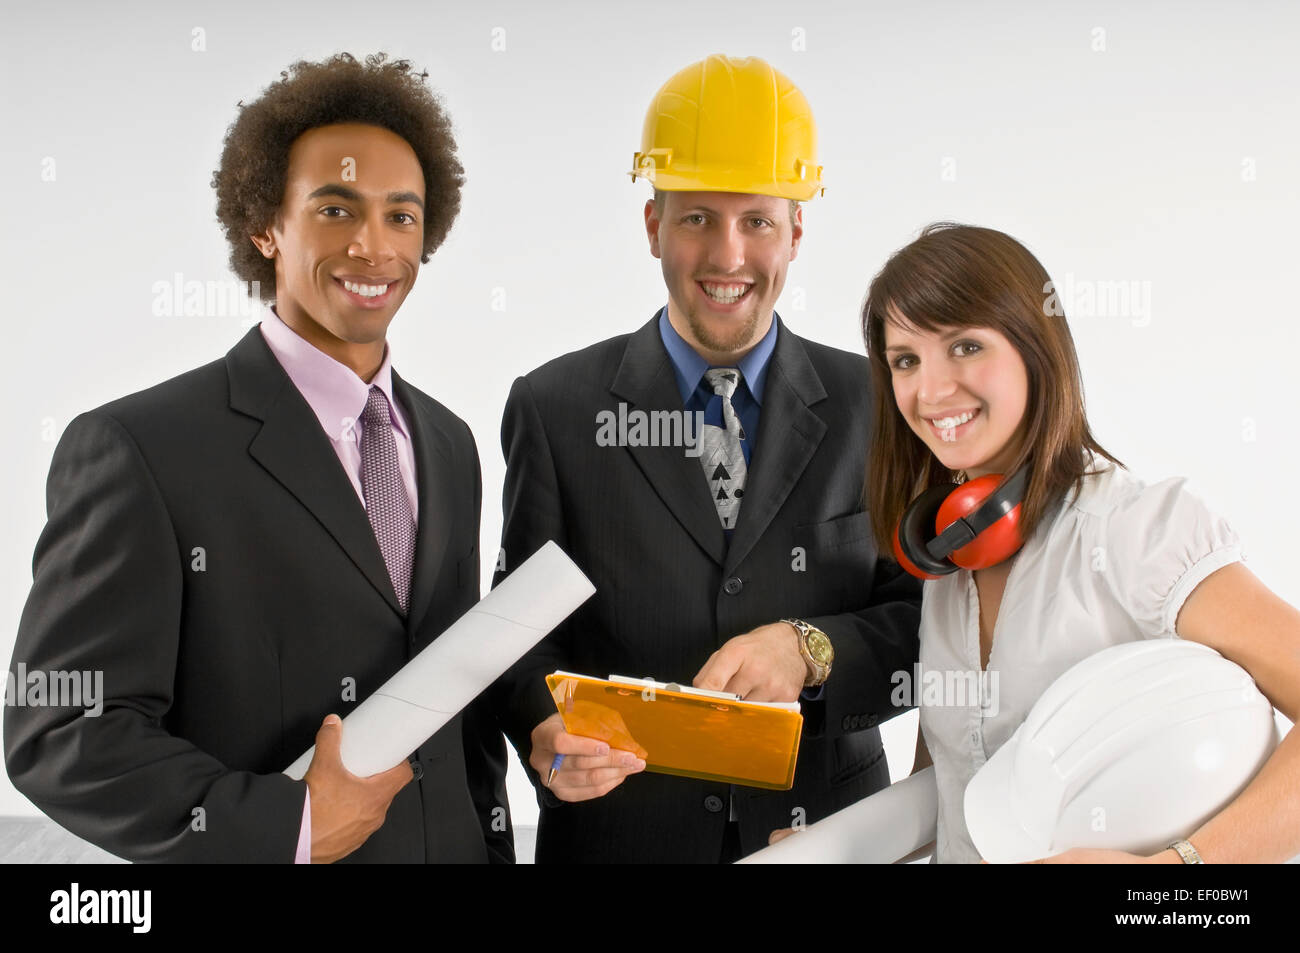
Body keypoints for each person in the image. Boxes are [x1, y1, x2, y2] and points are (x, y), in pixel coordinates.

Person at [4, 52, 513, 863]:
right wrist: (291, 827)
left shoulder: (448, 443)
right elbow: (61, 728)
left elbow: (453, 700)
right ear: (266, 224)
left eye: (402, 216)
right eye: (337, 208)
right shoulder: (142, 449)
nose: (374, 247)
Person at [492, 54, 922, 863]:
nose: (728, 256)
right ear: (653, 225)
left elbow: (933, 620)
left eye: (756, 220)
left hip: (826, 835)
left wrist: (811, 647)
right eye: (696, 218)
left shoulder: (881, 402)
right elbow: (518, 631)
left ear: (796, 230)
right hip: (620, 839)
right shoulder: (556, 407)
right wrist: (540, 728)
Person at [862, 222, 1300, 863]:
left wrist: (1177, 872)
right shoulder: (950, 556)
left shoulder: (1136, 529)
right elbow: (958, 794)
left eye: (964, 347)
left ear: (1035, 348)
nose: (931, 391)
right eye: (906, 360)